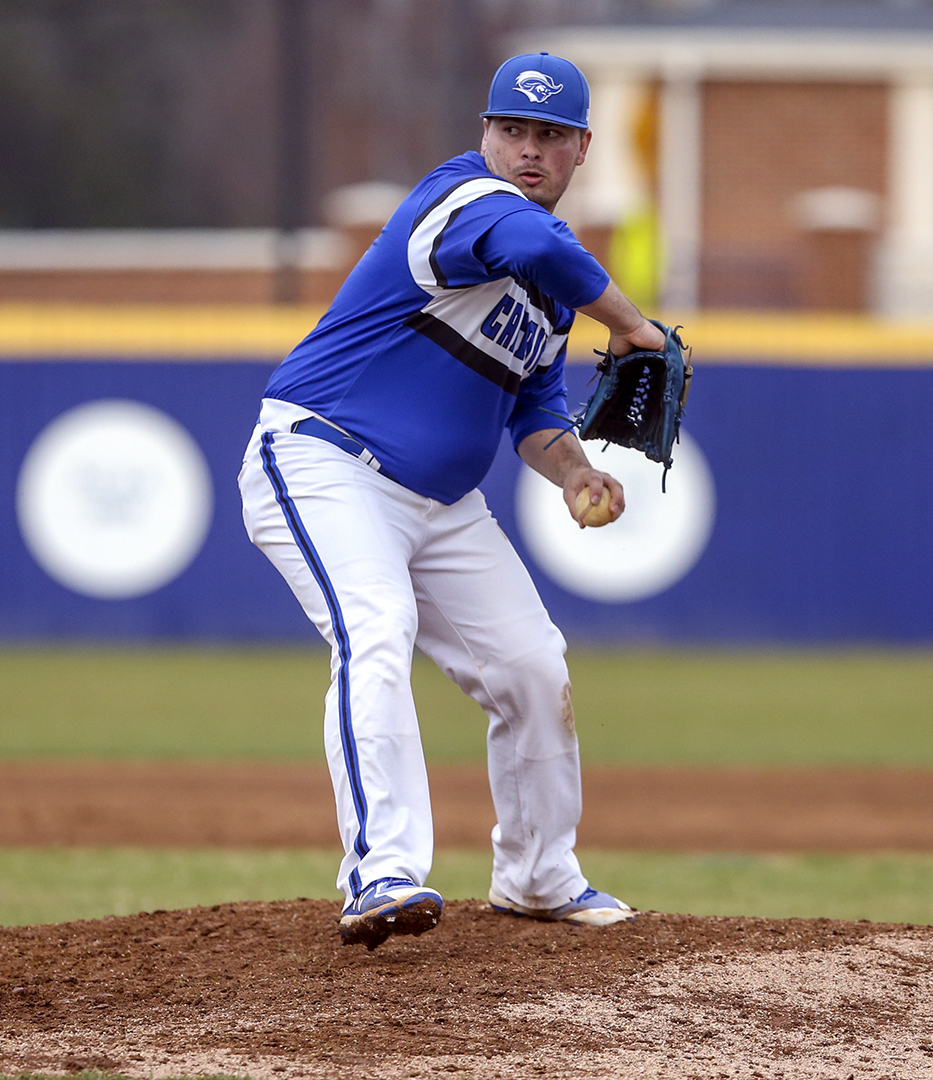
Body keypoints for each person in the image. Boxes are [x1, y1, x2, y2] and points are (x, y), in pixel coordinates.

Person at [237, 51, 668, 949]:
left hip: (440, 505)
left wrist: (576, 472)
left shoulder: (550, 303)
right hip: (325, 459)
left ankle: (541, 878)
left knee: (531, 666)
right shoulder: (460, 201)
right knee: (376, 626)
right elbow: (533, 242)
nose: (528, 149)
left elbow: (536, 413)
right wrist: (633, 325)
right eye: (512, 128)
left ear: (582, 147)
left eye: (549, 135)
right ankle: (381, 872)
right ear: (485, 133)